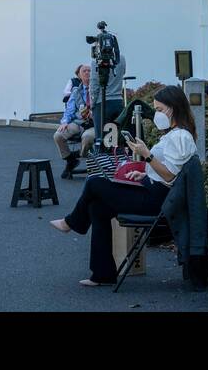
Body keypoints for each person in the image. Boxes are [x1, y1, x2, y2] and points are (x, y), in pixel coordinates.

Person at [49, 84, 197, 287]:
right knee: (97, 208)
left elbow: (170, 175)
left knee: (94, 182)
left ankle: (72, 222)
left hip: (158, 200)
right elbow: (166, 169)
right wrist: (144, 170)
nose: (157, 114)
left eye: (160, 110)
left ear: (173, 108)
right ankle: (102, 274)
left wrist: (147, 155)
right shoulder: (174, 134)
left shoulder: (181, 136)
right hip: (151, 188)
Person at [55, 64, 95, 178]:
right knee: (58, 135)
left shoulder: (98, 90)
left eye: (89, 71)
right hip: (78, 122)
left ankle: (79, 154)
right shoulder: (76, 91)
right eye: (84, 71)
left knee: (87, 138)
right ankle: (70, 160)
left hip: (93, 124)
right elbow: (69, 110)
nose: (87, 73)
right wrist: (64, 122)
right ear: (79, 75)